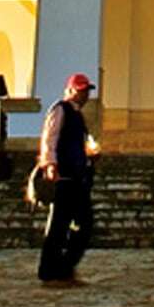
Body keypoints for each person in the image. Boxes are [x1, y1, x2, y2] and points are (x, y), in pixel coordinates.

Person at [36, 71, 97, 285]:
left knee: (83, 223)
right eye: (81, 91)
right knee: (59, 225)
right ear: (70, 90)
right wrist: (50, 164)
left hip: (77, 176)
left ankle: (64, 266)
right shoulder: (60, 110)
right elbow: (49, 137)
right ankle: (51, 270)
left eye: (86, 91)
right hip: (63, 176)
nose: (84, 95)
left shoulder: (77, 115)